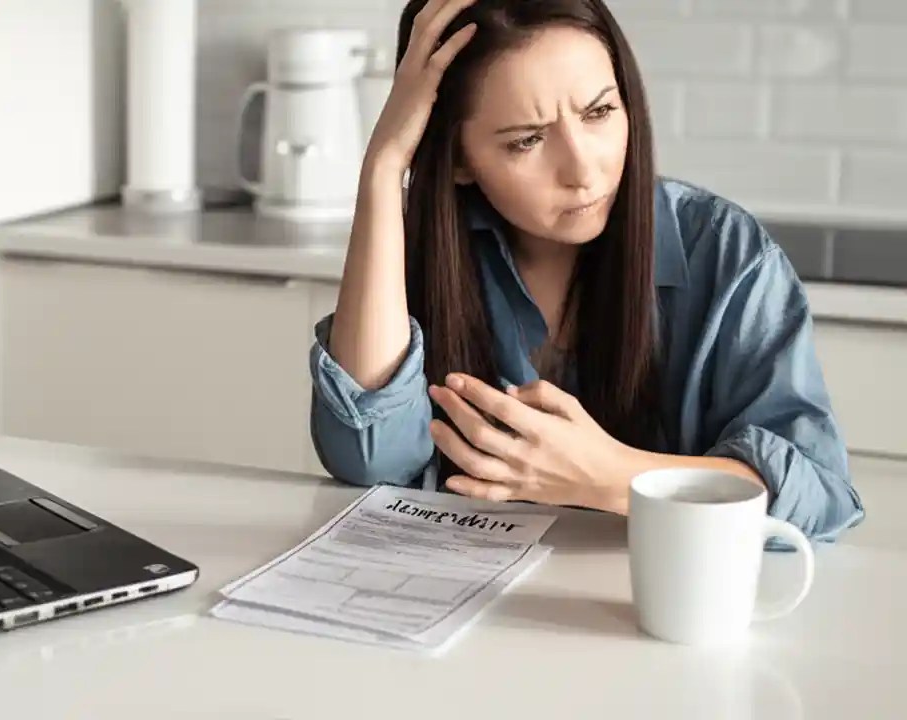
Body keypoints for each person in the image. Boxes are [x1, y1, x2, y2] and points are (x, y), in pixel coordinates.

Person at [308, 0, 864, 542]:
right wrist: (383, 167)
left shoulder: (724, 254)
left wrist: (612, 475)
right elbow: (367, 458)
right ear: (457, 159)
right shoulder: (417, 251)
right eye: (527, 140)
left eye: (599, 112)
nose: (582, 170)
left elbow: (818, 494)